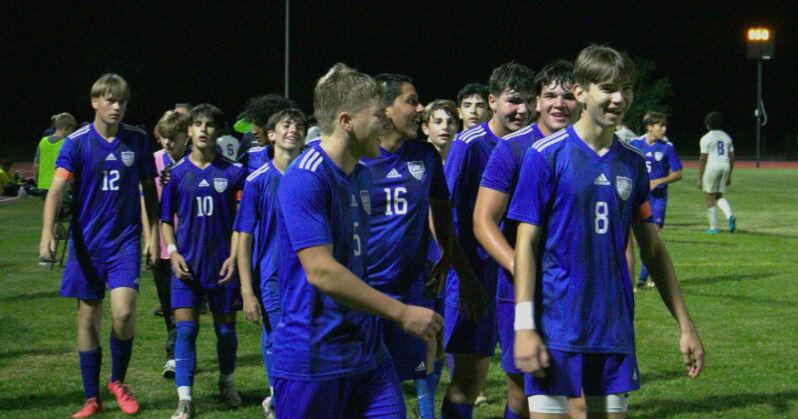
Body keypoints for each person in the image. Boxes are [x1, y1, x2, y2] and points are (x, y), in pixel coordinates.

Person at [510, 45, 704, 418]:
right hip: (556, 328)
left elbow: (654, 250)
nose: (619, 98)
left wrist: (686, 325)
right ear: (581, 92)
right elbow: (526, 244)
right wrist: (524, 326)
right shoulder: (545, 155)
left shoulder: (633, 163)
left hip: (613, 330)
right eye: (608, 88)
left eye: (626, 88)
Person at [273, 63, 442, 418]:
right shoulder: (306, 177)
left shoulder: (362, 175)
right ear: (346, 121)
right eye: (378, 114)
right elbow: (321, 271)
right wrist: (401, 313)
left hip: (367, 352)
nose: (385, 122)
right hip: (315, 356)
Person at [38, 73, 159, 418]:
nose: (117, 107)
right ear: (95, 102)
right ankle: (92, 397)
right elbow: (56, 191)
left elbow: (149, 192)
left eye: (122, 101)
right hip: (86, 245)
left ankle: (118, 381)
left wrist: (153, 235)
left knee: (123, 313)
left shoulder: (136, 139)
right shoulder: (76, 143)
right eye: (110, 100)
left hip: (124, 242)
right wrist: (47, 232)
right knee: (88, 317)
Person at [365, 74, 485, 419]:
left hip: (410, 292)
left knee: (406, 378)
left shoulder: (425, 156)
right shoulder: (356, 157)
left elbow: (443, 218)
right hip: (362, 294)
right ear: (385, 109)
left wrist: (451, 262)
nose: (420, 108)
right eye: (411, 101)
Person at [474, 60, 581, 419]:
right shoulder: (514, 148)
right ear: (537, 101)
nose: (559, 104)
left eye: (568, 95)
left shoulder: (586, 149)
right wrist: (519, 266)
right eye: (550, 95)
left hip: (573, 289)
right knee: (522, 394)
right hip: (519, 289)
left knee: (576, 393)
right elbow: (483, 221)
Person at [442, 62, 534, 419]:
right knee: (467, 381)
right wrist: (462, 274)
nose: (521, 109)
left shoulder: (534, 145)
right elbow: (442, 214)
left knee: (523, 385)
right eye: (513, 101)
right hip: (475, 277)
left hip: (516, 278)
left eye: (527, 101)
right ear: (493, 101)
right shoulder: (469, 145)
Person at [160, 104, 245, 419]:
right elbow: (165, 220)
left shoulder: (234, 173)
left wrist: (234, 257)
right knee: (186, 331)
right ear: (189, 130)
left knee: (226, 332)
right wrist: (173, 251)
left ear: (217, 131)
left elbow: (242, 223)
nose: (203, 130)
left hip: (222, 268)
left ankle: (227, 380)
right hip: (187, 268)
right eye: (197, 124)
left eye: (209, 124)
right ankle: (184, 398)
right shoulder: (176, 174)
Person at [234, 107, 307, 417]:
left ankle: (283, 397)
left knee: (303, 337)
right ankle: (280, 397)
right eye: (286, 125)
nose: (293, 130)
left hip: (309, 273)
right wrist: (246, 291)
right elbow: (244, 236)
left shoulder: (313, 173)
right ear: (271, 135)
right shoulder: (258, 180)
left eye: (299, 125)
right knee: (280, 338)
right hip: (273, 275)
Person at [141, 110, 190, 379]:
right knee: (168, 303)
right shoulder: (154, 162)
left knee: (188, 304)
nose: (168, 143)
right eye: (164, 137)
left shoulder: (197, 160)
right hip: (162, 244)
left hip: (191, 243)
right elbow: (147, 203)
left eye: (173, 137)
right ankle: (174, 355)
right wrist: (150, 238)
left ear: (186, 136)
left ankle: (180, 353)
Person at [629, 112, 683, 290]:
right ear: (650, 127)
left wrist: (659, 181)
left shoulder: (667, 147)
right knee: (637, 240)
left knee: (653, 238)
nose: (664, 129)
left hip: (658, 199)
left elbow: (677, 173)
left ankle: (642, 280)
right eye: (661, 125)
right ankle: (647, 275)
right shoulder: (635, 144)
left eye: (665, 125)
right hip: (638, 198)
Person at [697, 111, 736, 233]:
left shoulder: (706, 138)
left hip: (712, 166)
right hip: (725, 166)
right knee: (719, 195)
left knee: (709, 196)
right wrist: (729, 174)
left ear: (707, 124)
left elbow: (703, 158)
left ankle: (713, 227)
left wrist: (700, 178)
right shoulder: (727, 137)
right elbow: (732, 156)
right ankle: (729, 215)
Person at [239, 95, 296, 174]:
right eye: (252, 124)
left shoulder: (304, 158)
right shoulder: (249, 158)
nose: (253, 131)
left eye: (259, 124)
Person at [33, 112, 77, 199]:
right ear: (66, 128)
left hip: (44, 187)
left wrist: (37, 181)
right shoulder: (68, 143)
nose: (73, 132)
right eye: (72, 129)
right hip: (62, 186)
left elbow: (36, 165)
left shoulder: (43, 142)